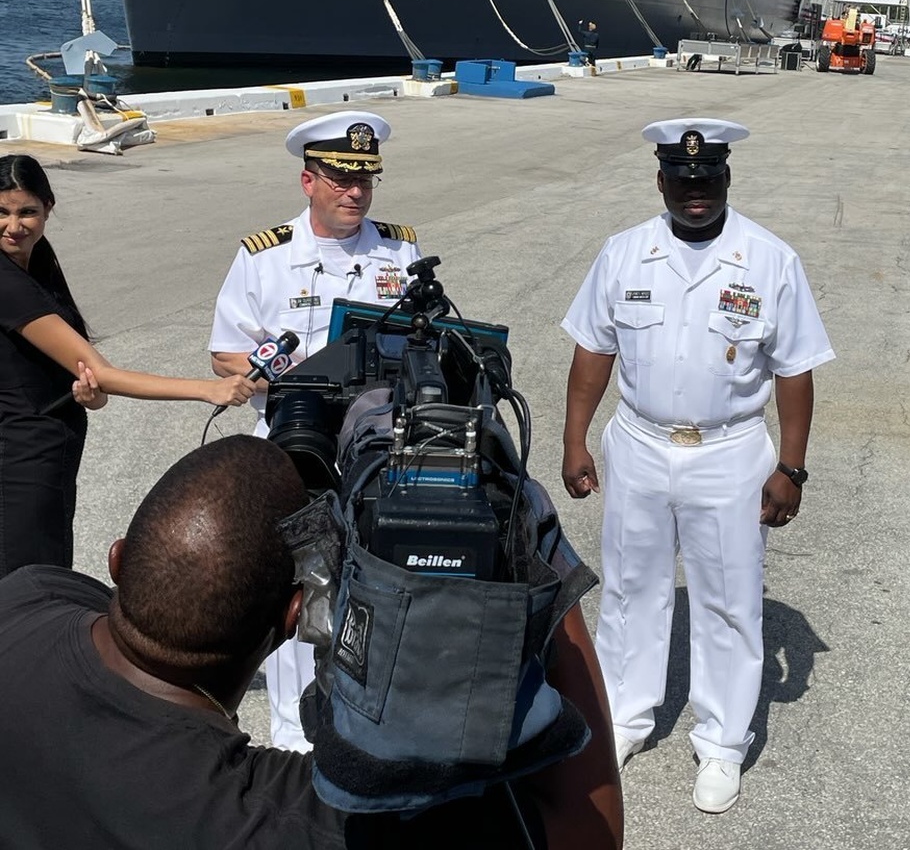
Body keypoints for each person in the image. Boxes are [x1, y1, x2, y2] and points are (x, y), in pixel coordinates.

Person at [0, 435, 623, 849]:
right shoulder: (271, 820)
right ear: (297, 616)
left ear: (116, 558)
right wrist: (540, 563)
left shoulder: (26, 598)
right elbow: (583, 832)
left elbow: (151, 604)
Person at [559, 119, 834, 813]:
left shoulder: (770, 260)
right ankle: (625, 716)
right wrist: (574, 439)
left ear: (726, 178)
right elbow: (593, 350)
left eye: (708, 179)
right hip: (641, 443)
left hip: (730, 451)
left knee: (729, 600)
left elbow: (796, 369)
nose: (696, 193)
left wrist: (792, 469)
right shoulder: (624, 254)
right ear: (661, 182)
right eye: (683, 182)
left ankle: (721, 741)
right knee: (628, 588)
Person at [210, 111, 421, 750]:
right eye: (339, 179)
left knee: (372, 571)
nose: (354, 193)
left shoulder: (399, 248)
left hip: (375, 444)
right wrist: (276, 367)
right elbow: (224, 351)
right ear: (308, 181)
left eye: (365, 181)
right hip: (296, 445)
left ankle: (362, 721)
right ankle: (290, 738)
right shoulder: (264, 257)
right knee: (299, 582)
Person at [0, 154, 254, 579]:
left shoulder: (38, 261)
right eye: (2, 212)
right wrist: (209, 389)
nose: (14, 226)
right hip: (18, 464)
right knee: (26, 590)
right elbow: (102, 371)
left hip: (49, 454)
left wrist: (89, 396)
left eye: (27, 212)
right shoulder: (7, 283)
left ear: (49, 208)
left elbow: (85, 381)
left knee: (43, 578)